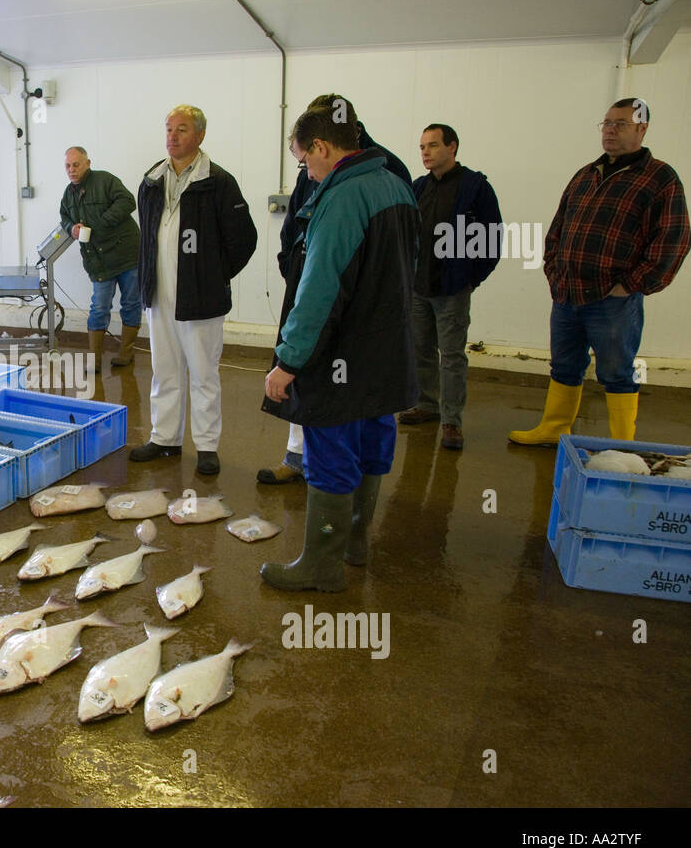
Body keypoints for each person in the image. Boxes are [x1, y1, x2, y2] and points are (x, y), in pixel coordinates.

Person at [260, 100, 420, 592]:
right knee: (372, 443)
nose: (306, 169)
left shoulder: (344, 196)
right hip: (386, 351)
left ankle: (321, 567)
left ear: (323, 148)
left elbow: (319, 290)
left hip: (340, 356)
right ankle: (355, 544)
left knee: (330, 451)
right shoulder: (395, 185)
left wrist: (287, 362)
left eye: (304, 159)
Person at [511, 98, 688, 446]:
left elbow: (674, 239)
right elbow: (559, 227)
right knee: (564, 366)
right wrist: (554, 270)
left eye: (620, 123)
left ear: (642, 128)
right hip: (567, 293)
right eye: (606, 123)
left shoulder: (660, 178)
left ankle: (624, 444)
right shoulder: (586, 174)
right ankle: (554, 428)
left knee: (616, 373)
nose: (610, 129)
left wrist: (632, 285)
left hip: (613, 299)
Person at [132, 105, 257, 476]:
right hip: (159, 293)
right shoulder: (151, 181)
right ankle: (165, 438)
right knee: (164, 370)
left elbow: (243, 240)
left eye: (182, 129)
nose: (172, 136)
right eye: (169, 128)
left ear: (200, 135)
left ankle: (206, 446)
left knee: (204, 374)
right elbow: (148, 240)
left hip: (201, 297)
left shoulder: (218, 183)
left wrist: (213, 275)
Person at [399, 123, 502, 451]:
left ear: (452, 147)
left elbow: (491, 237)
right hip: (418, 286)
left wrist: (471, 279)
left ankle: (451, 421)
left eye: (432, 145)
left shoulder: (474, 188)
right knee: (420, 349)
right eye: (422, 147)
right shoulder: (418, 188)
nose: (425, 153)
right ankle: (427, 404)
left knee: (452, 356)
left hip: (452, 288)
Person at [59, 146, 142, 371]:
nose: (72, 170)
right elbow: (64, 218)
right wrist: (71, 228)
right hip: (99, 261)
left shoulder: (105, 180)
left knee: (132, 303)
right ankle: (94, 359)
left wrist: (102, 222)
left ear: (88, 163)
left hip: (127, 255)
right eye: (68, 165)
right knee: (99, 307)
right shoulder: (68, 194)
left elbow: (127, 201)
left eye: (76, 164)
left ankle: (126, 353)